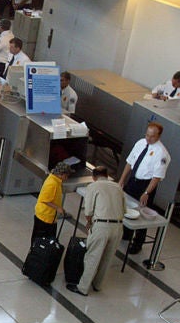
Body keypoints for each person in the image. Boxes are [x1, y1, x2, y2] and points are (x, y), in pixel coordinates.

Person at [66, 166, 125, 297]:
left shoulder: (93, 187)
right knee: (107, 258)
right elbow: (124, 210)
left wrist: (89, 223)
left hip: (102, 226)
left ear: (93, 177)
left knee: (93, 257)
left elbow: (88, 212)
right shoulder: (117, 187)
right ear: (107, 175)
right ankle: (98, 285)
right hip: (118, 227)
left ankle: (82, 288)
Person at [118, 122, 170, 254]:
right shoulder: (140, 143)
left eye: (152, 136)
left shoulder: (161, 153)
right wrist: (122, 180)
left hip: (145, 185)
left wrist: (147, 192)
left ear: (158, 136)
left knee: (142, 213)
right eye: (147, 135)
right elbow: (130, 162)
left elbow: (157, 177)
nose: (148, 138)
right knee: (127, 206)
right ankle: (126, 233)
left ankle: (138, 242)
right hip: (133, 180)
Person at [31, 162, 71, 245]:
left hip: (50, 217)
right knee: (40, 240)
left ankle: (42, 253)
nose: (67, 178)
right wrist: (58, 208)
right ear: (61, 174)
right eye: (66, 175)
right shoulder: (52, 183)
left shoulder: (56, 181)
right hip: (45, 217)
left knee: (46, 240)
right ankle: (37, 253)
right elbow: (45, 200)